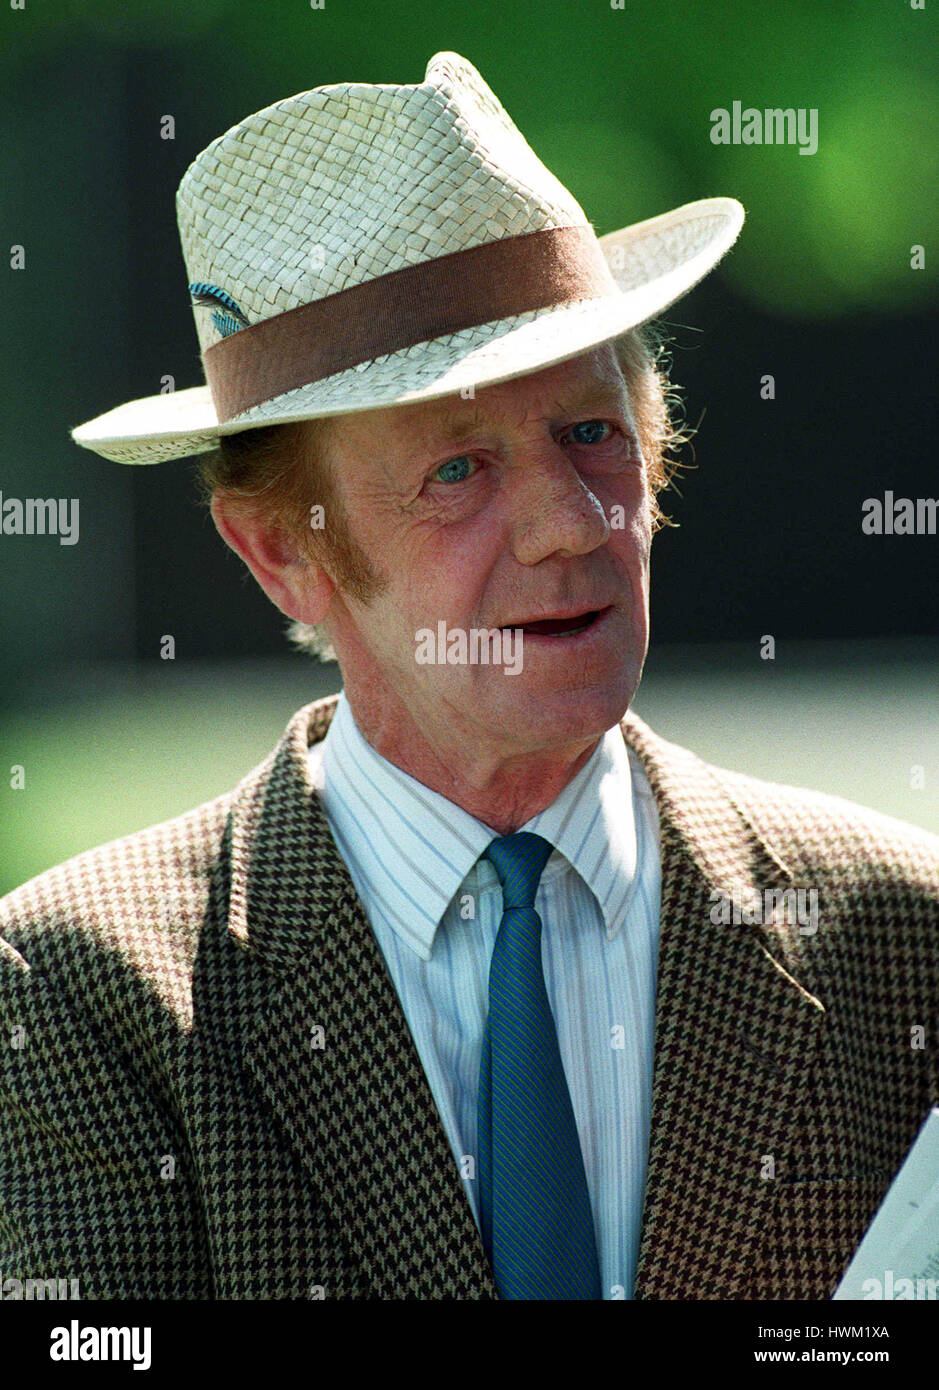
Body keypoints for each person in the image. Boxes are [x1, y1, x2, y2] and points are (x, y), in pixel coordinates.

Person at [1, 52, 936, 1302]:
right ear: (285, 552)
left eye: (591, 433)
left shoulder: (901, 932)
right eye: (458, 469)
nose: (568, 522)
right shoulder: (83, 993)